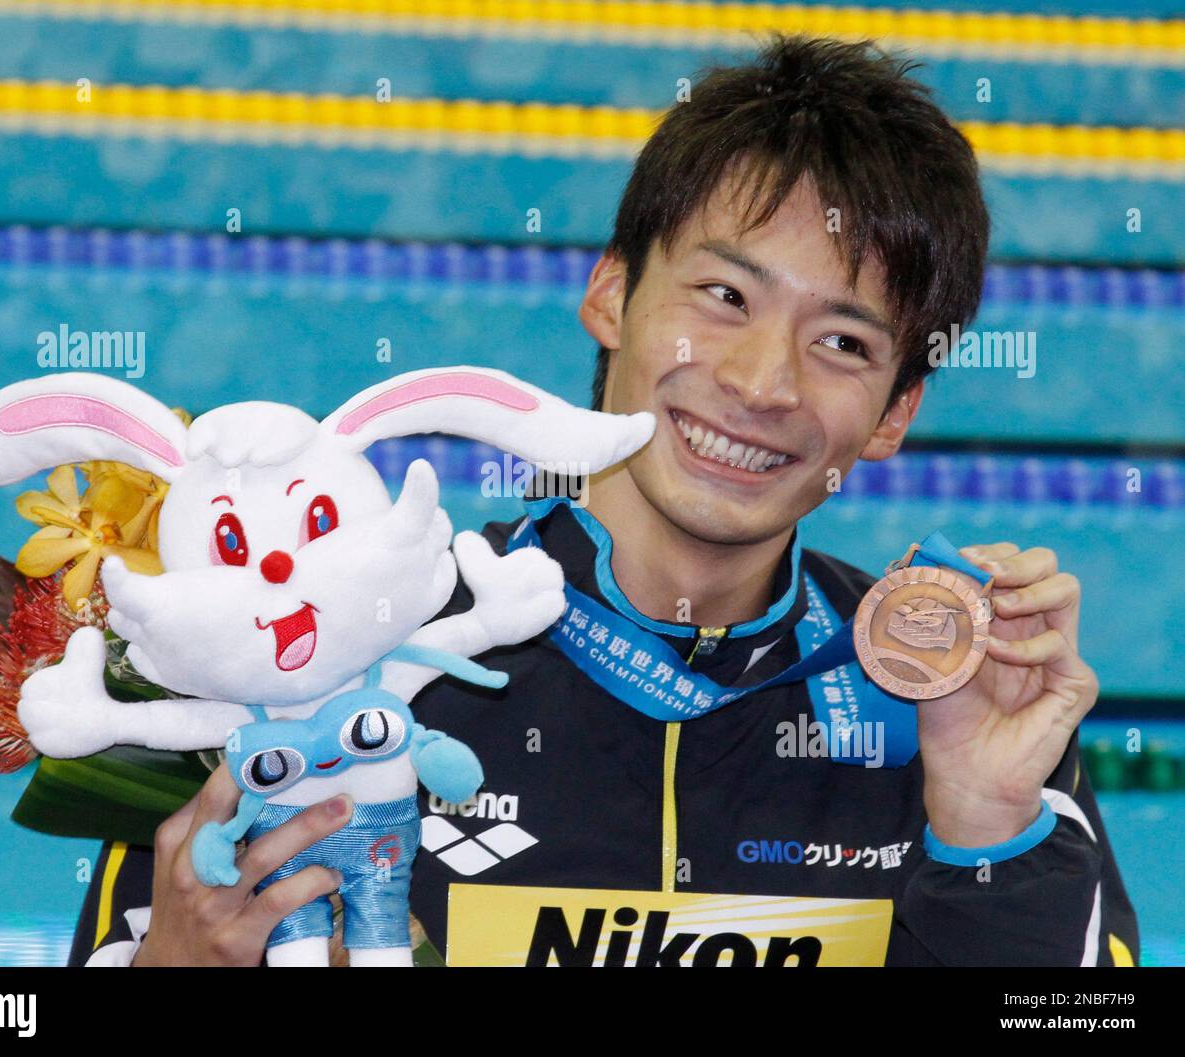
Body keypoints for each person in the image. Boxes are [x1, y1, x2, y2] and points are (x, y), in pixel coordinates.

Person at [71, 34, 1137, 967]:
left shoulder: (943, 708)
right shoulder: (315, 652)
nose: (763, 382)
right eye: (724, 297)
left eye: (842, 342)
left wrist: (987, 834)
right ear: (611, 295)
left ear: (895, 412)